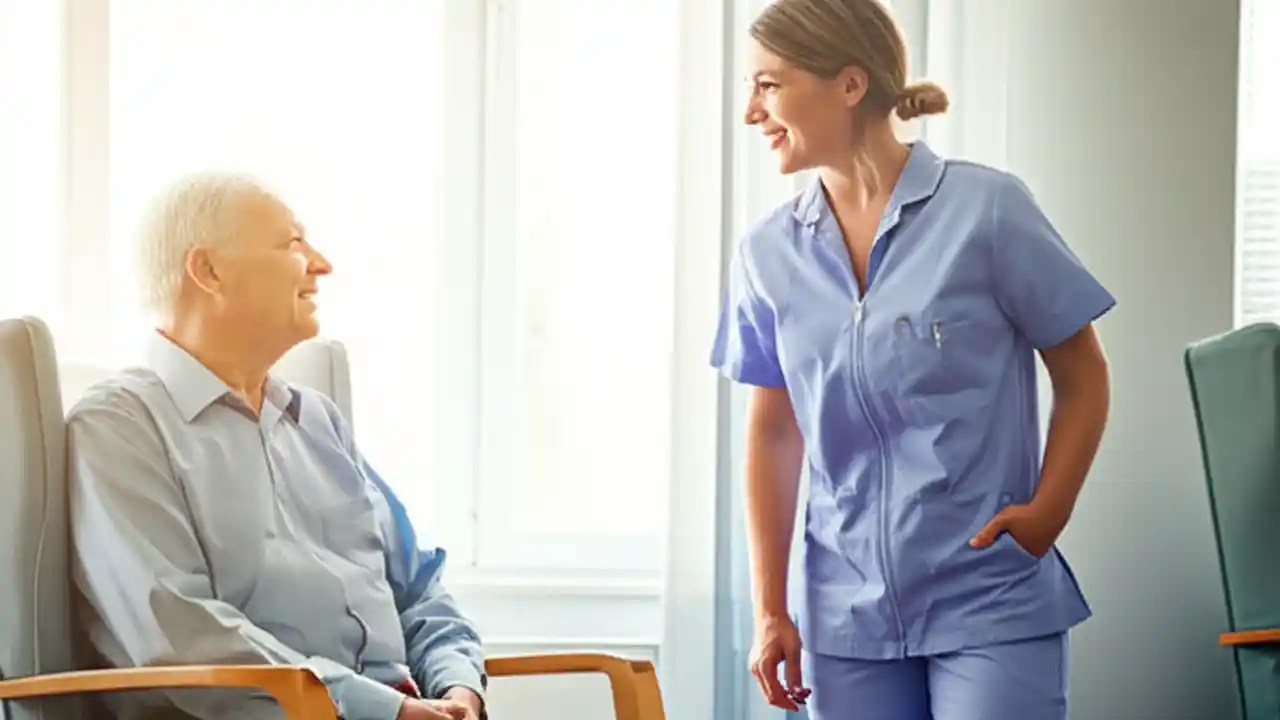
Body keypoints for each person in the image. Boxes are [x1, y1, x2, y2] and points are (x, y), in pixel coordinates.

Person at [711, 1, 1114, 718]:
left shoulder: (987, 210)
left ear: (849, 84)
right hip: (844, 615)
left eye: (769, 86)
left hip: (988, 598)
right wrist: (771, 608)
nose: (751, 112)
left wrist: (1050, 510)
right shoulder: (766, 254)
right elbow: (774, 431)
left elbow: (1082, 372)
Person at [69, 173, 486, 720]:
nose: (321, 264)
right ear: (208, 271)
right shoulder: (119, 426)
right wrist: (384, 712)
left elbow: (419, 586)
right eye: (292, 243)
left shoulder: (318, 421)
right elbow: (178, 633)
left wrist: (459, 690)